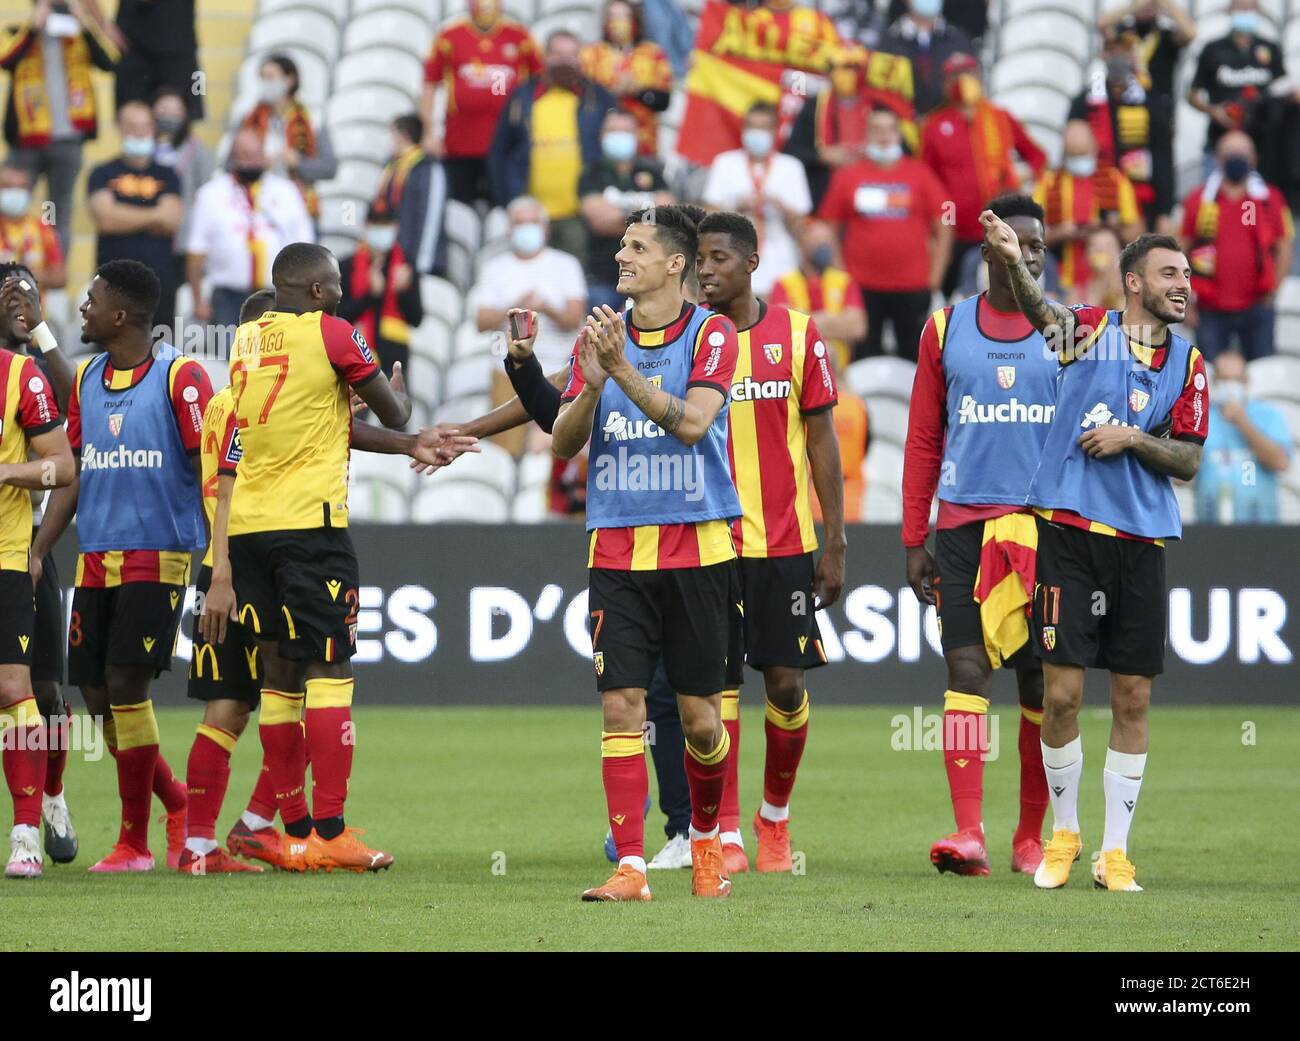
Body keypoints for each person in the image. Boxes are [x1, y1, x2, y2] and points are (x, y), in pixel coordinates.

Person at [182, 289, 475, 874]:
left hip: (235, 547)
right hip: (269, 548)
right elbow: (245, 471)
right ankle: (316, 830)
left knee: (264, 691)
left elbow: (304, 433)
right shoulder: (317, 340)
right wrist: (392, 411)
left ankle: (262, 832)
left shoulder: (236, 384)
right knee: (311, 678)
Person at [983, 215, 1208, 893]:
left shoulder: (1189, 362)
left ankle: (1115, 852)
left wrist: (1132, 438)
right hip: (1070, 537)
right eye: (1171, 273)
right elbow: (1037, 310)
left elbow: (1191, 459)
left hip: (1141, 545)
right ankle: (1064, 834)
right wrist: (1014, 260)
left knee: (1133, 697)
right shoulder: (1090, 331)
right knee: (1061, 694)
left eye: (1189, 276)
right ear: (1133, 281)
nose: (1184, 285)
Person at [200, 243, 414, 873]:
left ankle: (293, 830)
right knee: (331, 669)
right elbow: (394, 411)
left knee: (280, 677)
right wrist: (391, 390)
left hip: (248, 531)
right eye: (337, 284)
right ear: (317, 291)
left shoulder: (244, 342)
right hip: (311, 527)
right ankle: (332, 830)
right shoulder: (334, 333)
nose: (344, 291)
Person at [551, 205, 742, 901]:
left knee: (699, 719)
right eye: (622, 244)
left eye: (637, 246)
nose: (622, 255)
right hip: (617, 551)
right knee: (621, 706)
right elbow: (563, 443)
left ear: (674, 264)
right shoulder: (599, 339)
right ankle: (631, 864)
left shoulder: (712, 333)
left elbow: (693, 423)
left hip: (698, 548)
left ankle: (707, 840)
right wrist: (595, 380)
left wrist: (623, 373)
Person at [33, 259, 213, 873]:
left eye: (92, 298)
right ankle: (176, 802)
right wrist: (38, 550)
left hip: (157, 553)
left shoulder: (181, 377)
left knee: (128, 684)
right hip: (93, 558)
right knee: (96, 695)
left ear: (122, 315)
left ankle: (133, 843)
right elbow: (75, 474)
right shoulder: (86, 379)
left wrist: (220, 561)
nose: (83, 307)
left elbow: (212, 472)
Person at [902, 193, 1056, 877]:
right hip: (963, 525)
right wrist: (915, 537)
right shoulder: (945, 327)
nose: (1030, 253)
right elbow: (924, 438)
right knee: (966, 670)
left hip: (1045, 527)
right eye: (1017, 241)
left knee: (1042, 682)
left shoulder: (1068, 331)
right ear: (988, 249)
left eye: (1039, 244)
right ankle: (970, 831)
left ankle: (1030, 835)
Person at [695, 210, 845, 873]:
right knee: (719, 688)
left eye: (719, 258)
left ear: (751, 263)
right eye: (699, 258)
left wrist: (834, 537)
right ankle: (725, 832)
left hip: (785, 544)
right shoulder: (691, 339)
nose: (705, 269)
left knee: (784, 685)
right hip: (711, 544)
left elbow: (821, 439)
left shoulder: (799, 334)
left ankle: (773, 819)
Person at [0, 263, 77, 864]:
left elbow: (64, 462)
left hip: (25, 547)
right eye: (9, 294)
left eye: (27, 292)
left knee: (44, 692)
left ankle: (48, 797)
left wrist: (40, 326)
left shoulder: (35, 373)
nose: (19, 302)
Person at [818, 105, 951, 361]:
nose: (884, 135)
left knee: (914, 359)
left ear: (899, 134)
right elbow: (830, 227)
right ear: (866, 134)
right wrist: (840, 272)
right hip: (861, 286)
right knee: (864, 357)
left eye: (890, 129)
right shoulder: (848, 176)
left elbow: (946, 222)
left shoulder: (920, 174)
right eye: (877, 129)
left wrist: (935, 279)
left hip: (913, 286)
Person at [0, 0, 119, 256]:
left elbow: (111, 62)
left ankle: (55, 282)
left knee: (58, 213)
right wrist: (33, 27)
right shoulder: (16, 32)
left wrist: (85, 26)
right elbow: (6, 60)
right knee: (8, 209)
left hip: (67, 142)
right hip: (25, 143)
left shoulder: (77, 37)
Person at [921, 53, 1045, 299]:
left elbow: (1037, 156)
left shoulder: (998, 118)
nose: (963, 81)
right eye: (955, 76)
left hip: (998, 221)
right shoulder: (934, 126)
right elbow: (927, 178)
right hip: (953, 224)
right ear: (945, 84)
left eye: (969, 74)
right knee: (955, 289)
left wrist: (1020, 179)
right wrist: (944, 219)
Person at [488, 30, 617, 263]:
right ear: (545, 57)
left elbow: (614, 150)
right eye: (558, 54)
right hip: (530, 214)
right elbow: (499, 152)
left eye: (571, 54)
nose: (565, 60)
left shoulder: (598, 98)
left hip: (579, 214)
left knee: (575, 280)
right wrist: (507, 201)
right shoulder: (522, 97)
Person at [473, 196, 585, 455]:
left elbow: (573, 318)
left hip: (559, 369)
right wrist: (514, 306)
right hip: (507, 372)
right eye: (519, 223)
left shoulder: (565, 265)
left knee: (556, 447)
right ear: (509, 229)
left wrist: (546, 308)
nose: (526, 229)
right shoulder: (495, 268)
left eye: (532, 223)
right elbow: (481, 321)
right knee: (504, 450)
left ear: (544, 228)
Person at [185, 127, 313, 331]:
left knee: (275, 359)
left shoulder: (286, 191)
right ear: (232, 157)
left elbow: (306, 247)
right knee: (231, 359)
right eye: (245, 156)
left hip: (278, 296)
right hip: (229, 297)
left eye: (256, 155)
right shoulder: (210, 194)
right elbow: (195, 251)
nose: (252, 162)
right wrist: (198, 300)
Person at [1181, 130, 1293, 361]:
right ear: (1218, 158)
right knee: (1207, 375)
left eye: (1243, 153)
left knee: (1263, 373)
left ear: (1254, 158)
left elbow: (1284, 246)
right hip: (1210, 308)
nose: (1237, 158)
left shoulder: (1270, 198)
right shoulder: (1198, 199)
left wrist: (1273, 292)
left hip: (1257, 306)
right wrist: (1185, 300)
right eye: (1230, 152)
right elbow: (1180, 250)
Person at [420, 0, 541, 207]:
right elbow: (429, 85)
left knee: (504, 208)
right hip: (459, 145)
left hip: (507, 146)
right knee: (458, 210)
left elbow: (538, 83)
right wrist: (428, 133)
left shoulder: (521, 38)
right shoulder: (448, 38)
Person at [87, 101, 182, 336]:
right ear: (119, 129)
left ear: (153, 128)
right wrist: (153, 216)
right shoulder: (102, 173)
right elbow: (106, 219)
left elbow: (171, 220)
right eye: (132, 127)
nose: (139, 133)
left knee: (161, 353)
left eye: (144, 127)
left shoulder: (168, 174)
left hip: (159, 285)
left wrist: (122, 214)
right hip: (112, 285)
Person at [1098, 1, 1195, 234]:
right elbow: (1102, 24)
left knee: (1158, 168)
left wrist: (1165, 5)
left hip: (1157, 115)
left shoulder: (1166, 34)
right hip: (1124, 110)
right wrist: (1134, 6)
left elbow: (1190, 33)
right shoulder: (1124, 32)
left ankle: (1159, 213)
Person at [782, 43, 917, 210]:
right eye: (837, 68)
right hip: (824, 194)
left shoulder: (879, 107)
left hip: (873, 195)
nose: (844, 74)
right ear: (829, 72)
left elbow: (906, 152)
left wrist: (874, 151)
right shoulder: (814, 107)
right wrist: (822, 155)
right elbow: (791, 152)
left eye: (851, 68)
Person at [702, 102, 812, 297]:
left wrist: (782, 208)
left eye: (763, 127)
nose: (757, 133)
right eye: (751, 126)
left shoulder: (791, 167)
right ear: (743, 129)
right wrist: (736, 207)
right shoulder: (725, 163)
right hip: (733, 268)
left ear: (774, 131)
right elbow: (708, 219)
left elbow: (803, 227)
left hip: (781, 267)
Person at [1033, 120, 1143, 297]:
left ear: (1094, 148)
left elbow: (1136, 233)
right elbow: (1031, 237)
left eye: (1082, 155)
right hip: (1063, 284)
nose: (1079, 162)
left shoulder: (1115, 180)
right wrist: (1060, 232)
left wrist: (1106, 228)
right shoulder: (1048, 182)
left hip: (1108, 284)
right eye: (1073, 157)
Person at [579, 108, 674, 312]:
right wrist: (645, 215)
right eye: (613, 131)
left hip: (649, 278)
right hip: (603, 277)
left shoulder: (652, 172)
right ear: (602, 136)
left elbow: (668, 216)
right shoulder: (591, 174)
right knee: (601, 338)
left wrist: (620, 215)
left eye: (625, 131)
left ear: (636, 136)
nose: (619, 137)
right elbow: (599, 221)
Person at [1069, 35, 1164, 231]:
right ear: (1103, 55)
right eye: (1113, 52)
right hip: (1099, 196)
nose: (1118, 58)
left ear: (1133, 56)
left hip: (1140, 194)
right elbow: (1073, 145)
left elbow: (1162, 154)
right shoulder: (1085, 101)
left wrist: (1165, 209)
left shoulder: (1149, 101)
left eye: (1124, 52)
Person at [1188, 0, 1292, 164]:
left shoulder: (1269, 48)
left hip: (1263, 144)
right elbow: (1192, 95)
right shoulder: (1213, 49)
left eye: (1250, 8)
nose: (1245, 12)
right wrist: (1214, 110)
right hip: (1220, 142)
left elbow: (1284, 87)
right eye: (1241, 8)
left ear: (1258, 11)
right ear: (1229, 10)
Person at [1194, 351, 1292, 524]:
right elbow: (1180, 479)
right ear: (1214, 382)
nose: (1231, 386)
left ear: (1246, 382)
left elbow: (1281, 462)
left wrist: (1242, 422)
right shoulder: (1200, 417)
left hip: (1262, 531)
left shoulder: (1269, 415)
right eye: (1225, 379)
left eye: (1237, 380)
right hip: (1209, 530)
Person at [239, 54, 337, 223]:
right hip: (259, 209)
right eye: (262, 77)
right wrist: (257, 164)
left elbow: (330, 167)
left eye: (270, 77)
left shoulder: (313, 118)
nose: (265, 83)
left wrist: (299, 162)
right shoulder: (248, 119)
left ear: (289, 80)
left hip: (300, 208)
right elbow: (230, 165)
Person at [338, 205, 423, 380]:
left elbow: (416, 318)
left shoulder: (406, 266)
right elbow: (338, 316)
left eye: (386, 224)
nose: (381, 229)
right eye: (376, 223)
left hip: (395, 364)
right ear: (365, 226)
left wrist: (403, 292)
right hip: (356, 360)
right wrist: (371, 296)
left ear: (395, 226)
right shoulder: (347, 266)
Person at [769, 218, 867, 368]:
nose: (823, 247)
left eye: (827, 241)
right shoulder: (783, 283)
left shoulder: (844, 281)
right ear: (802, 244)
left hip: (839, 372)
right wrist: (834, 320)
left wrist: (805, 320)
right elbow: (784, 329)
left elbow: (857, 328)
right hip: (797, 369)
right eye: (817, 241)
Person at [581, 1, 673, 159]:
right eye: (614, 16)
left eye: (625, 16)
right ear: (605, 21)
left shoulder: (653, 54)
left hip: (644, 143)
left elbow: (664, 101)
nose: (619, 22)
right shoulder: (591, 54)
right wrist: (612, 92)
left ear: (635, 19)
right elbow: (583, 99)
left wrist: (638, 92)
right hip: (600, 141)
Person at [151, 86, 214, 301]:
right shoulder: (143, 149)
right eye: (164, 109)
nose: (169, 115)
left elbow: (206, 194)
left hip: (184, 241)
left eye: (176, 111)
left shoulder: (198, 152)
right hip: (151, 237)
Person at [374, 115, 447, 279]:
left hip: (417, 262)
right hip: (393, 258)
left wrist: (419, 265)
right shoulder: (392, 167)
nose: (389, 140)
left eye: (392, 134)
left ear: (403, 136)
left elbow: (431, 217)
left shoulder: (428, 168)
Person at [880, 0, 975, 117]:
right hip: (901, 124)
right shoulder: (888, 41)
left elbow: (972, 87)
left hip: (949, 125)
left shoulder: (959, 39)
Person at [113, 0, 200, 121]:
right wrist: (102, 23)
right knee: (133, 119)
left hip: (178, 49)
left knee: (179, 117)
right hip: (133, 50)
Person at [0, 161, 64, 287]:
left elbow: (61, 277)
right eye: (8, 186)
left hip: (31, 305)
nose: (15, 193)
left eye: (21, 187)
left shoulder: (43, 229)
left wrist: (27, 275)